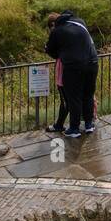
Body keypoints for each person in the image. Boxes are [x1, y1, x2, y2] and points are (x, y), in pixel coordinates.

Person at [45, 10, 99, 138]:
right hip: (93, 62)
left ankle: (74, 129)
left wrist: (48, 49)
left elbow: (53, 53)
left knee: (74, 97)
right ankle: (89, 125)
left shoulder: (57, 31)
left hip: (74, 66)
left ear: (55, 23)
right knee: (88, 95)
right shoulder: (80, 22)